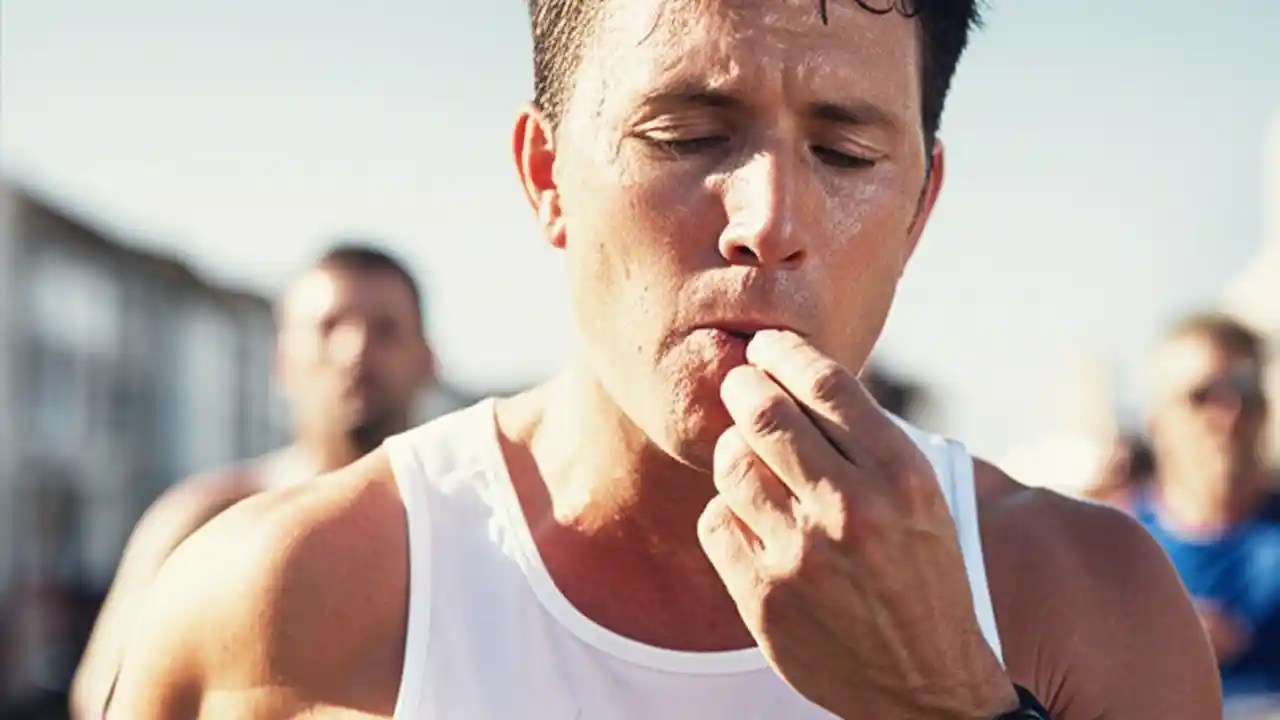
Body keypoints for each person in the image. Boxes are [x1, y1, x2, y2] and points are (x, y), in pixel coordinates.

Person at [108, 1, 1221, 718]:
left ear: (919, 206)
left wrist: (953, 705)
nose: (767, 218)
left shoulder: (1086, 608)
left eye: (841, 151)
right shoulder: (282, 604)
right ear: (546, 176)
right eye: (687, 135)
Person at [69, 243, 435, 719]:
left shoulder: (473, 529)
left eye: (385, 330)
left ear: (427, 362)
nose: (356, 348)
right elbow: (102, 699)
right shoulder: (202, 522)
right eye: (329, 327)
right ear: (283, 361)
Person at [1135, 313, 1280, 700]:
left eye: (1245, 392)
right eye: (1201, 396)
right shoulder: (1109, 556)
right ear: (1155, 421)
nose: (1229, 414)